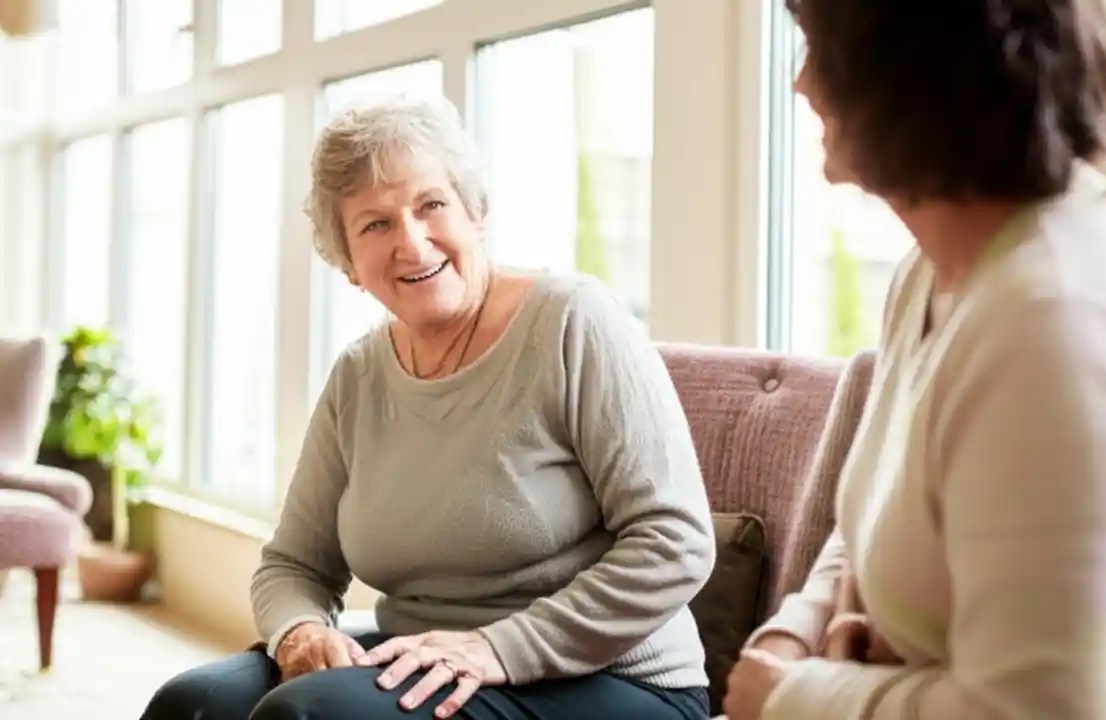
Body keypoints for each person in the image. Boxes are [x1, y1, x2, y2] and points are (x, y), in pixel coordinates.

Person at [724, 1, 1106, 718]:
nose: (801, 83)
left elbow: (1034, 709)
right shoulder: (933, 271)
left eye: (818, 49)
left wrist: (796, 698)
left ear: (912, 67)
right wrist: (795, 633)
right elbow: (876, 512)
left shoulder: (1060, 319)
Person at [142, 95, 715, 720]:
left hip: (613, 677)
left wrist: (497, 647)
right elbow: (294, 564)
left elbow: (675, 541)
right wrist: (300, 632)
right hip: (424, 656)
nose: (412, 244)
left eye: (431, 205)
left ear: (476, 213)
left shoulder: (573, 320)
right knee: (192, 706)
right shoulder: (359, 374)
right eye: (375, 225)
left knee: (308, 716)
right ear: (349, 264)